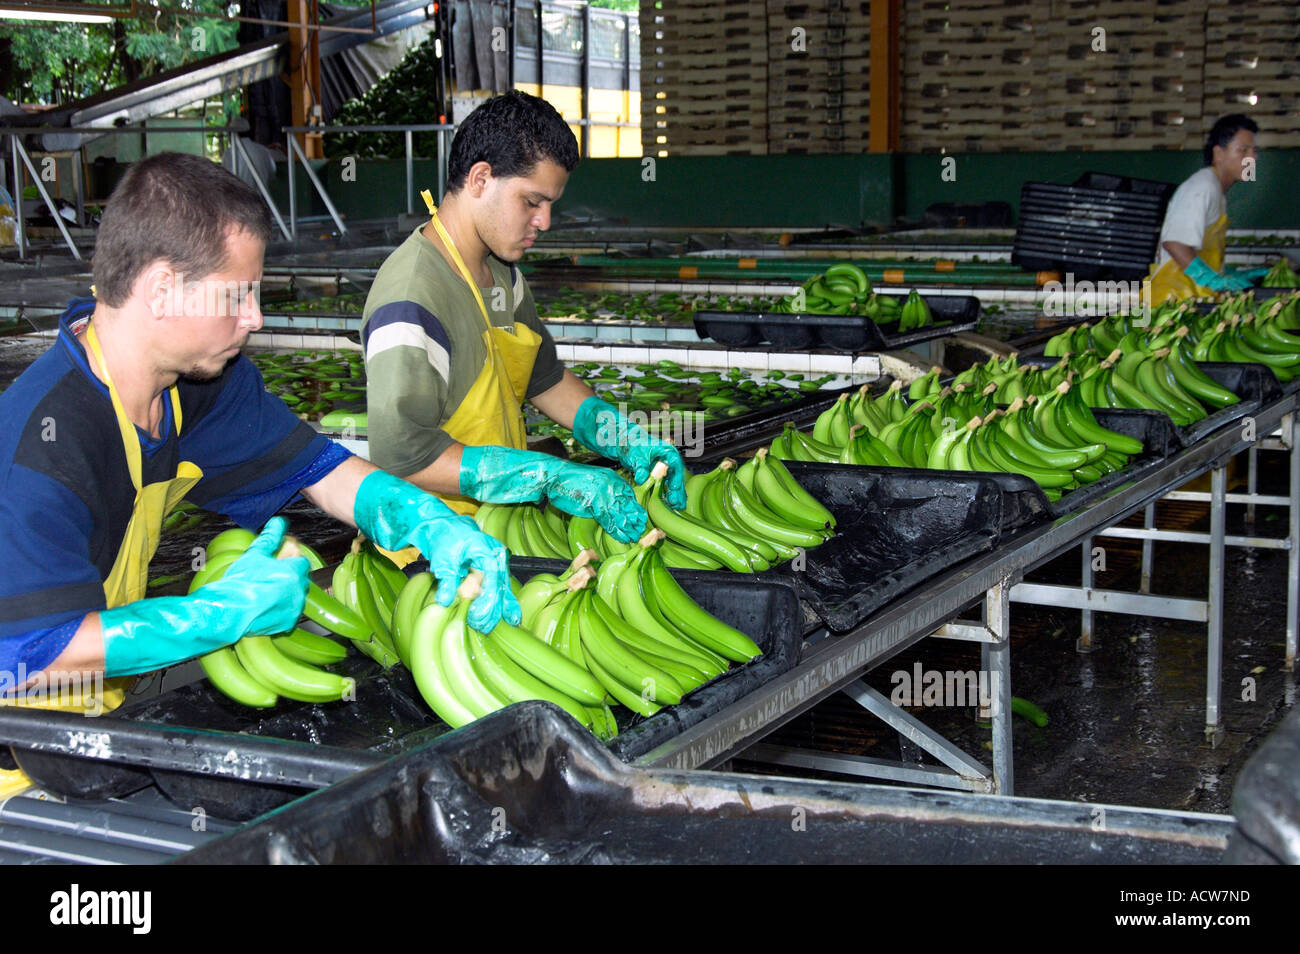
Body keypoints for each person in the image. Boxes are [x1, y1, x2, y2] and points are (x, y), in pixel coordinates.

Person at [0, 152, 519, 714]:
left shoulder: (196, 384)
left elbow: (320, 470)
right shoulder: (41, 446)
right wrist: (215, 617)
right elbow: (25, 654)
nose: (254, 318)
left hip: (95, 718)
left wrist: (426, 519)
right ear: (160, 290)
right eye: (237, 295)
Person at [361, 91, 688, 542]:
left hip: (506, 526)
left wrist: (624, 438)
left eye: (551, 204)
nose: (545, 221)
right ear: (480, 179)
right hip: (437, 548)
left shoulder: (502, 273)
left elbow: (546, 380)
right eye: (532, 202)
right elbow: (403, 457)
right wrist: (549, 477)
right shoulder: (411, 298)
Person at [1147, 114, 1269, 302]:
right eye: (1243, 151)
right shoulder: (1202, 187)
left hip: (1192, 299)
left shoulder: (1217, 190)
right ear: (1219, 154)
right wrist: (1211, 279)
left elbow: (1200, 250)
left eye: (1254, 151)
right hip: (1171, 302)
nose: (1252, 158)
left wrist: (1226, 273)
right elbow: (1174, 243)